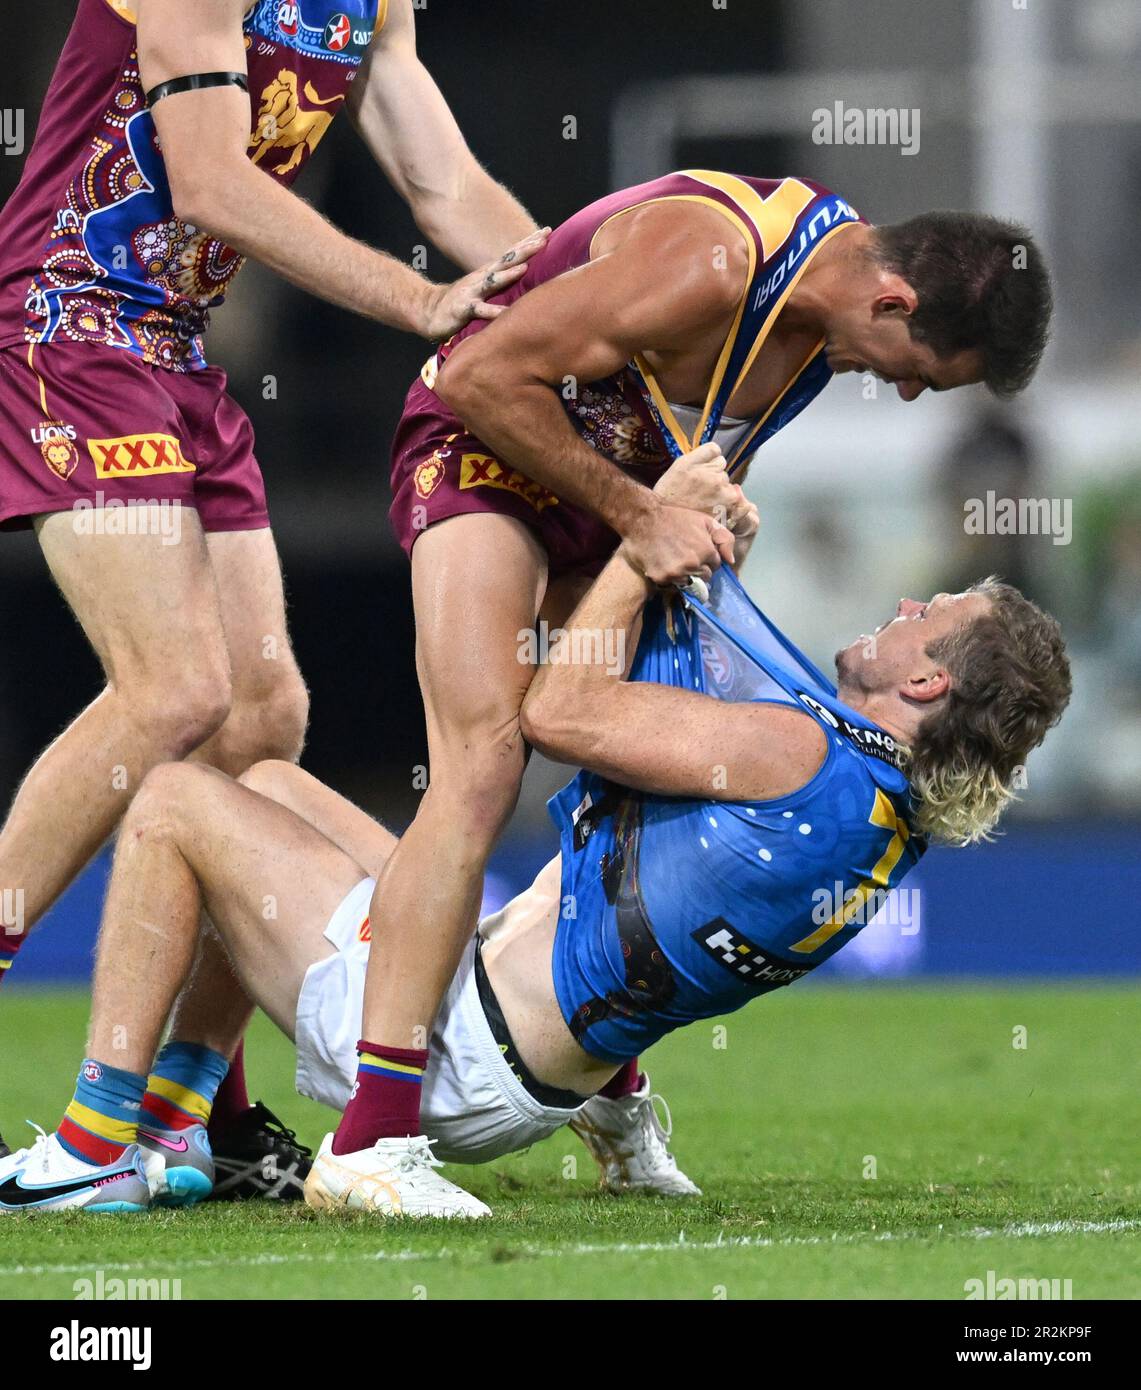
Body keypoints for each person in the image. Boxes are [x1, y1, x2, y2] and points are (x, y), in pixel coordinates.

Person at [0, 452, 1072, 1217]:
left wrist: (641, 548)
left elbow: (558, 716)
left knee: (176, 801)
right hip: (520, 1057)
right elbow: (654, 906)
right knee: (265, 779)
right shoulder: (881, 821)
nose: (900, 600)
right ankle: (189, 1113)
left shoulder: (802, 755)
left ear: (927, 678)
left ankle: (102, 1140)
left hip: (450, 1049)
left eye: (925, 611)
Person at [337, 169, 1055, 1209]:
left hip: (600, 479)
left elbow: (680, 442)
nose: (902, 392)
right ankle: (373, 1138)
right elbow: (481, 377)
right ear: (893, 304)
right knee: (486, 764)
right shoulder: (714, 261)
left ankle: (610, 1096)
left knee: (662, 760)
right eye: (921, 375)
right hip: (483, 448)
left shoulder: (819, 317)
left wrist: (713, 507)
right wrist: (642, 518)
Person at [0, 0, 545, 1175]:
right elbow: (208, 185)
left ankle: (182, 1113)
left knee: (262, 720)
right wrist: (419, 304)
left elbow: (443, 183)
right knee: (173, 692)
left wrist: (568, 293)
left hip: (180, 350)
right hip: (72, 324)